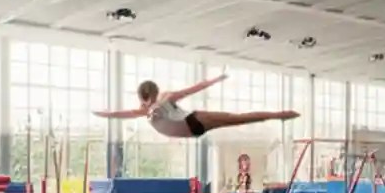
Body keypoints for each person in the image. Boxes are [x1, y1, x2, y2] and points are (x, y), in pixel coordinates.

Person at [92, 74, 298, 138]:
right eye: (147, 100)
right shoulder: (143, 110)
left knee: (237, 118)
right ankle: (276, 115)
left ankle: (278, 114)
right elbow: (118, 114)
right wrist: (103, 113)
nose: (149, 103)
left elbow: (194, 88)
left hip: (194, 120)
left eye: (151, 98)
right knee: (236, 119)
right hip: (194, 130)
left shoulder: (165, 97)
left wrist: (214, 81)